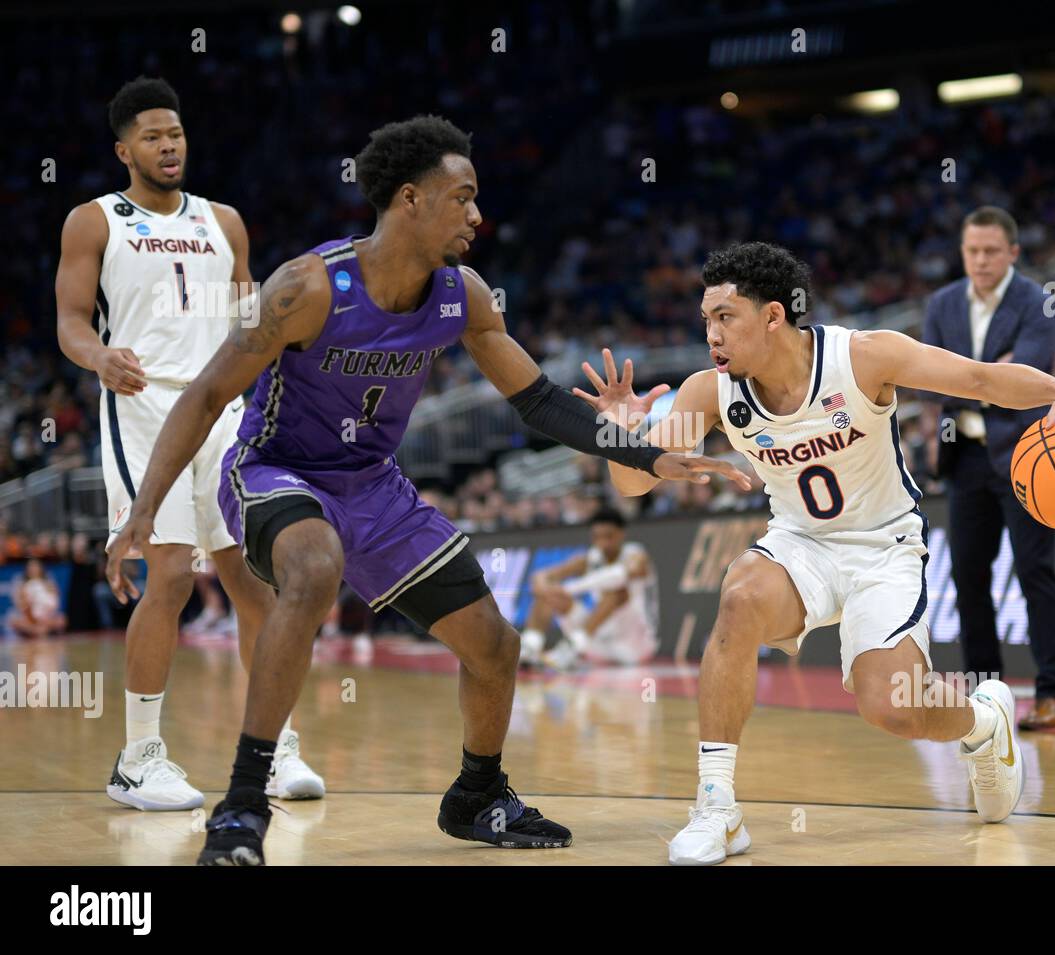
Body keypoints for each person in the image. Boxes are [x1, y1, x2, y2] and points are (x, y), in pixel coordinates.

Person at [105, 114, 748, 865]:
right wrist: (144, 510)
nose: (477, 216)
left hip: (373, 486)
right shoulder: (308, 287)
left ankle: (478, 792)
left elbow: (536, 399)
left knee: (496, 645)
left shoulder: (462, 294)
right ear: (409, 199)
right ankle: (244, 805)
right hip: (277, 470)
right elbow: (208, 394)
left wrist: (645, 451)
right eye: (462, 198)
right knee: (313, 568)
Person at [593, 241, 1055, 865]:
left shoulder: (864, 356)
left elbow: (978, 378)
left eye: (725, 318)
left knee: (894, 707)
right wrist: (622, 440)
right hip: (799, 547)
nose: (711, 334)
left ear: (772, 317)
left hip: (883, 549)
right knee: (738, 596)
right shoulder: (709, 394)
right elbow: (634, 485)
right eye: (706, 319)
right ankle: (718, 810)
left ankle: (982, 723)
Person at [54, 76, 323, 810]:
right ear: (124, 150)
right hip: (142, 404)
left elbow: (248, 319)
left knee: (252, 577)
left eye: (174, 133)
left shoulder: (223, 220)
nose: (168, 145)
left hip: (219, 406)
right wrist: (97, 356)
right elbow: (71, 320)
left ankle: (274, 749)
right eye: (151, 136)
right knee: (170, 575)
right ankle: (138, 758)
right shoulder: (93, 220)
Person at [923, 207, 1055, 730]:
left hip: (1027, 457)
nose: (981, 260)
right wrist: (990, 377)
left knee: (1036, 573)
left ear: (1012, 252)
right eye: (972, 251)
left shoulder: (1036, 300)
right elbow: (926, 381)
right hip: (964, 460)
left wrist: (971, 379)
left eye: (991, 251)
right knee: (968, 578)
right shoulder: (942, 303)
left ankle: (1053, 694)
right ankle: (987, 696)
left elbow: (1028, 374)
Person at [520, 507, 659, 668]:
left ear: (621, 534)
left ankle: (572, 647)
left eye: (608, 536)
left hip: (636, 646)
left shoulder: (636, 555)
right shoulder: (590, 558)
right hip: (598, 641)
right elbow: (542, 576)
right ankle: (530, 648)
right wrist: (544, 586)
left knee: (618, 591)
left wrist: (569, 588)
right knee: (551, 595)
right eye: (597, 537)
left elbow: (618, 575)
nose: (603, 543)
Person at [8, 560, 67, 639]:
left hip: (46, 618)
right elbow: (20, 605)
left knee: (61, 620)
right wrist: (28, 607)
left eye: (36, 567)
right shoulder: (22, 585)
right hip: (29, 618)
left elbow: (54, 603)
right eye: (31, 567)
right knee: (13, 621)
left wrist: (45, 612)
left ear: (41, 569)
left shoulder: (49, 584)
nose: (33, 569)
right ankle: (38, 631)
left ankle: (37, 631)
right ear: (27, 570)